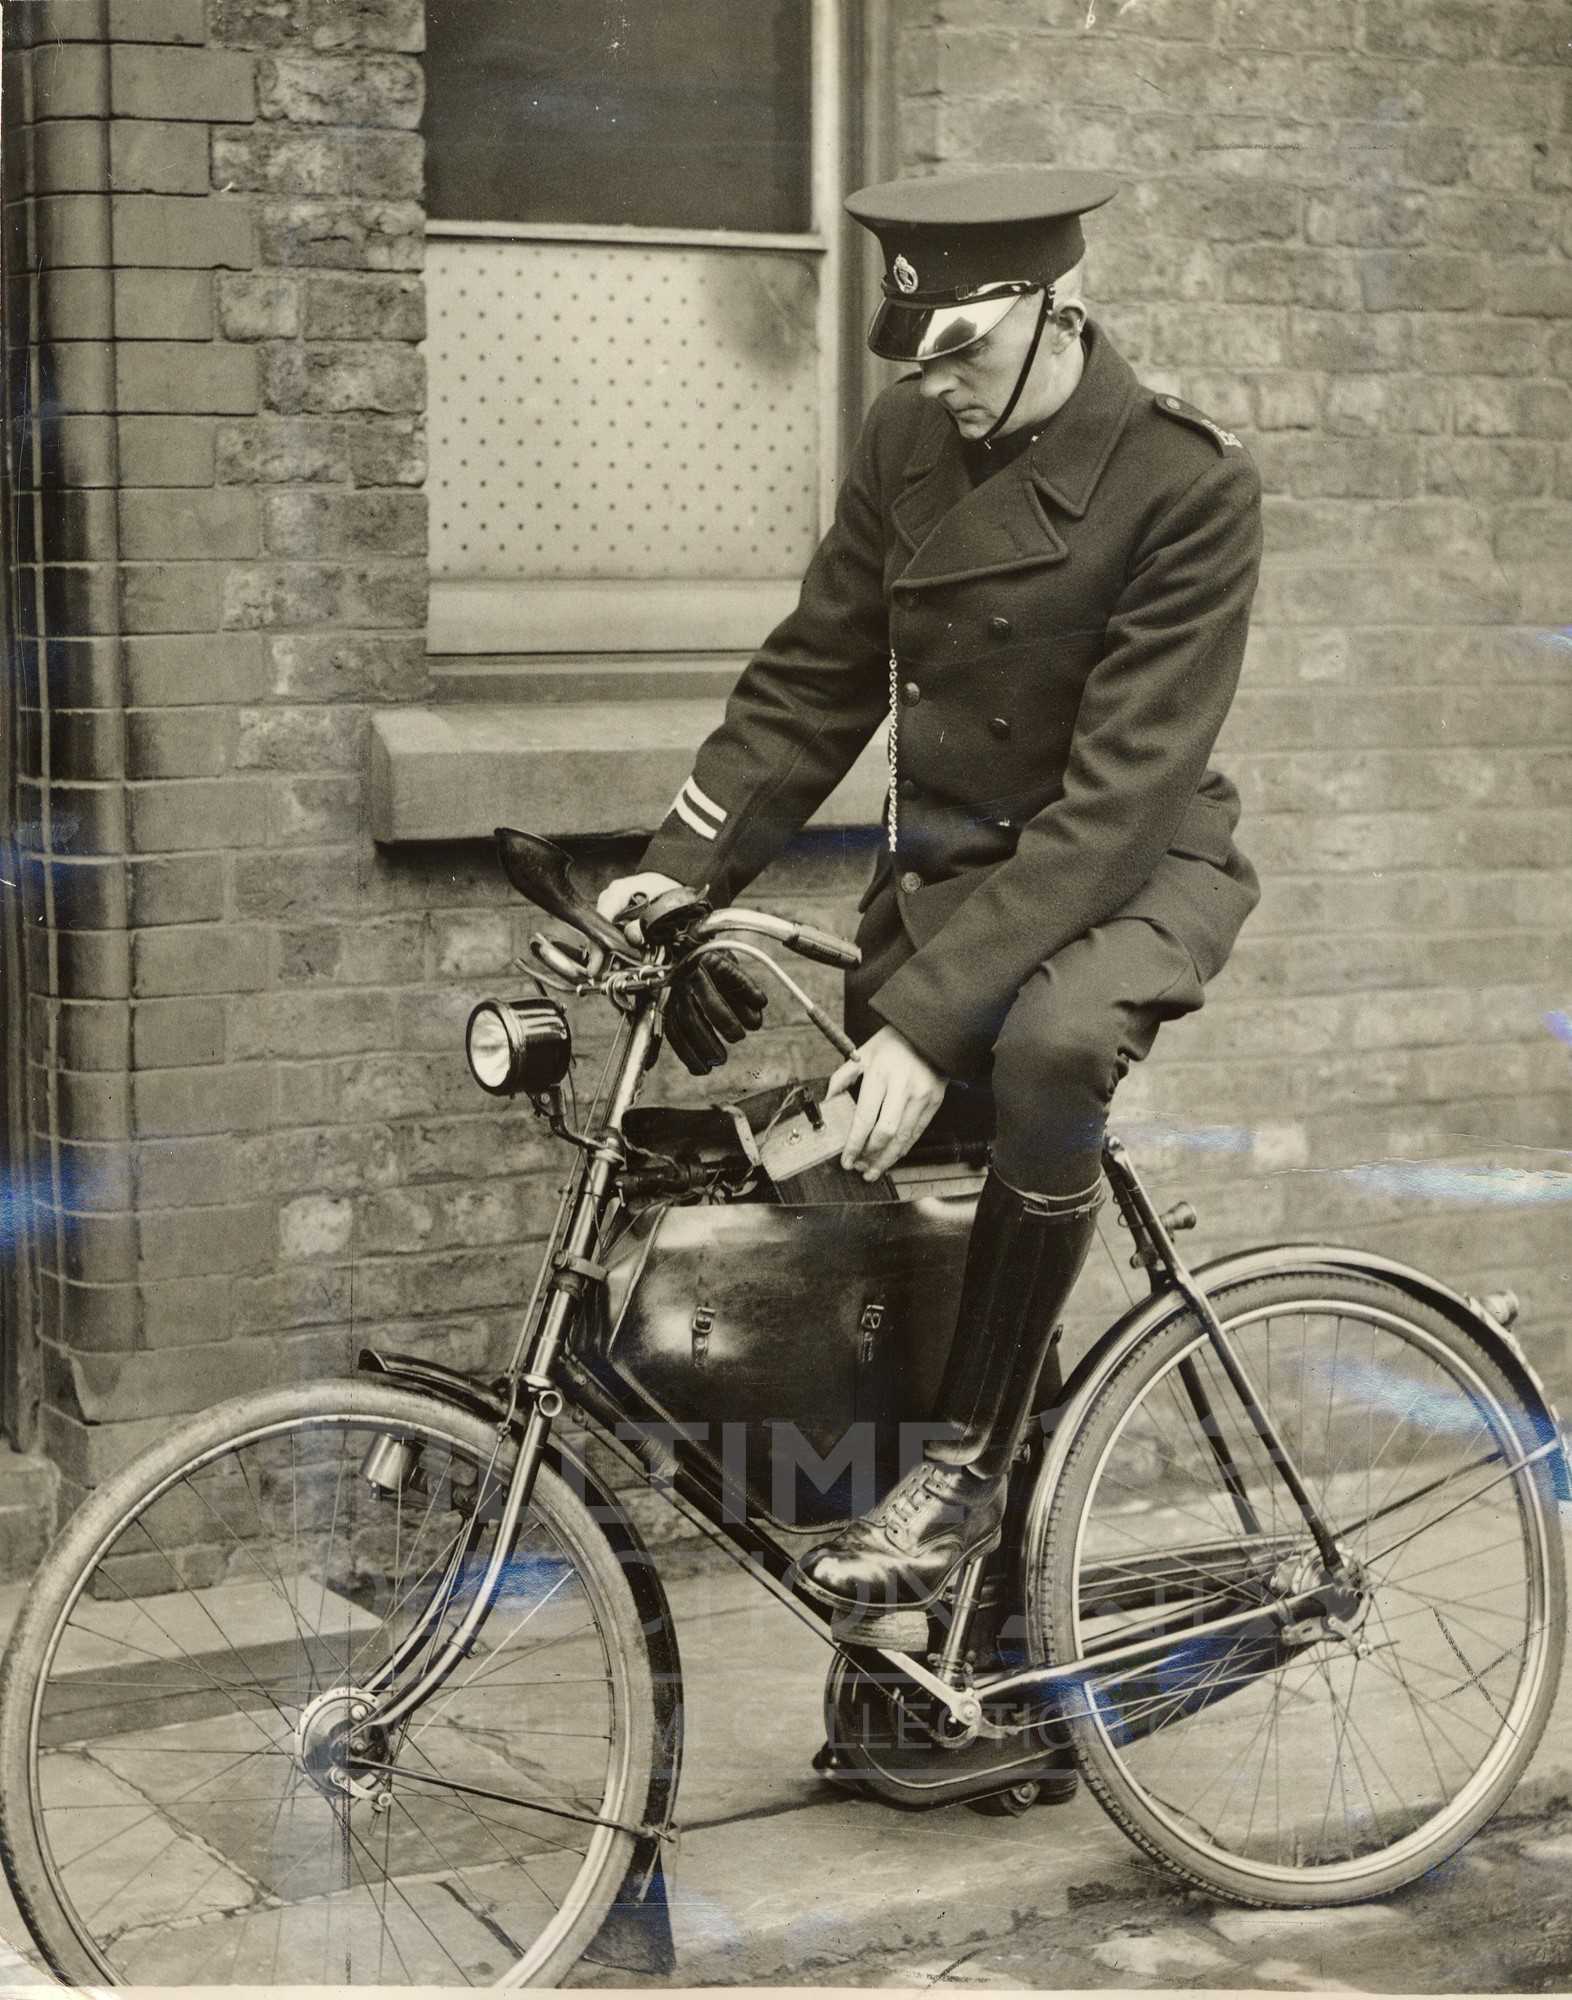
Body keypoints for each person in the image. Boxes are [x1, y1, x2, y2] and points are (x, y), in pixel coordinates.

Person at [597, 166, 1263, 1616]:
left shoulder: (1185, 484)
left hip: (1137, 868)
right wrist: (677, 861)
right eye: (919, 353)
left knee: (1047, 1050)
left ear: (1053, 312)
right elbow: (813, 676)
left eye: (961, 348)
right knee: (914, 1248)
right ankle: (949, 1681)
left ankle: (965, 1473)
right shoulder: (908, 437)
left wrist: (924, 1023)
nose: (936, 380)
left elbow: (1113, 805)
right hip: (958, 884)